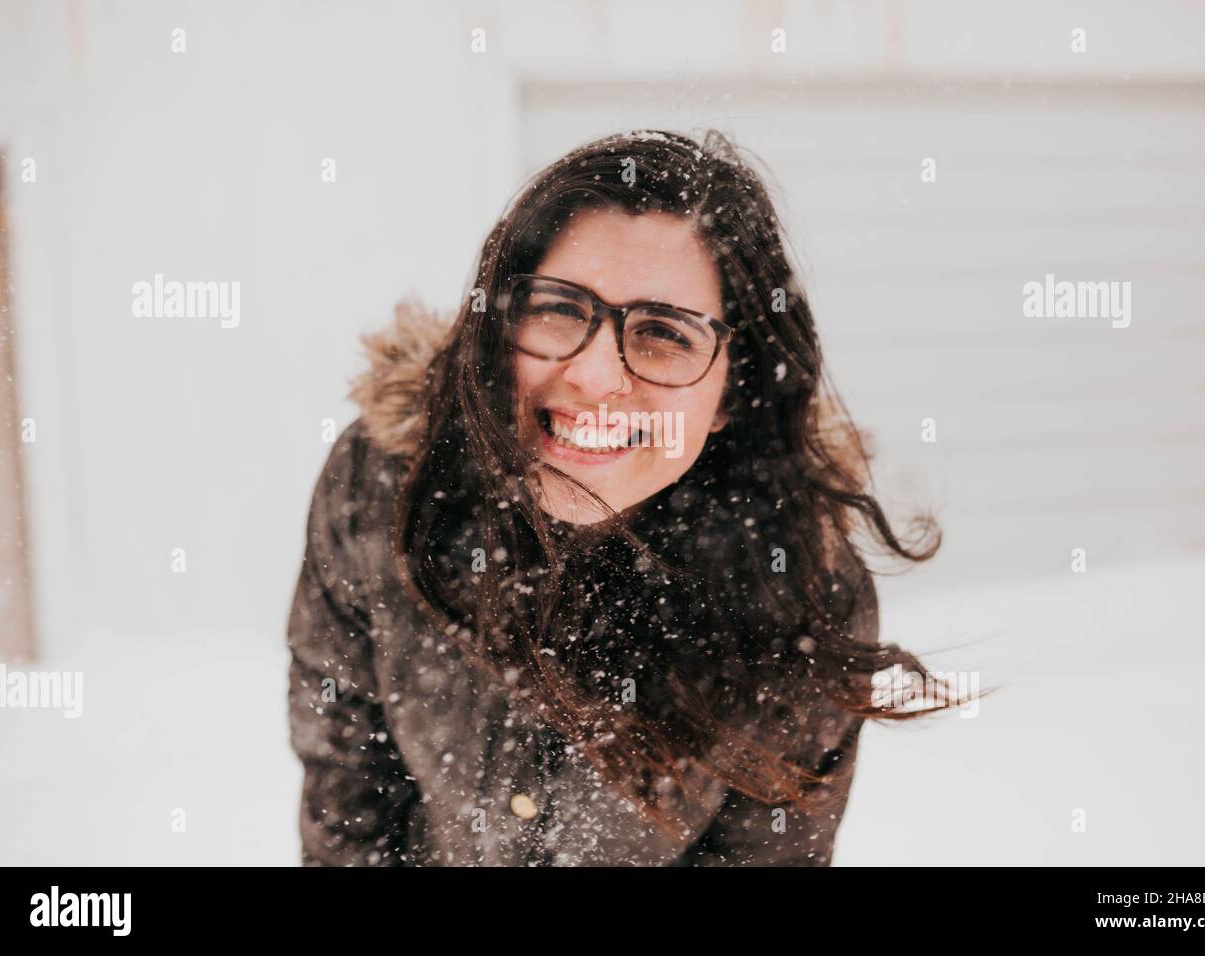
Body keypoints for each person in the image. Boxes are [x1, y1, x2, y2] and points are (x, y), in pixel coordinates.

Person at [286, 128, 961, 866]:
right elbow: (348, 790)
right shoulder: (384, 479)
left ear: (733, 390)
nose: (596, 376)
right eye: (560, 310)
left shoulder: (802, 591)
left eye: (664, 333)